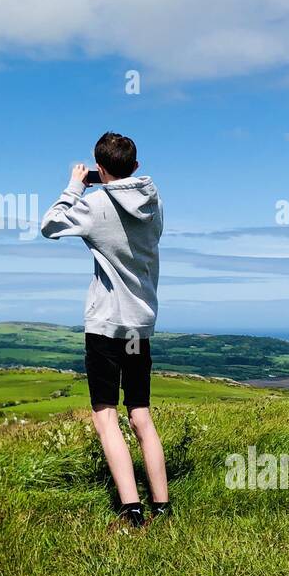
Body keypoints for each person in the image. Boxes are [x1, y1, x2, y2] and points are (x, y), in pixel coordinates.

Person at [40, 131, 170, 529]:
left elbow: (49, 225)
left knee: (105, 416)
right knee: (141, 415)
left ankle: (131, 511)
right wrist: (109, 179)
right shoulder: (154, 201)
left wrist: (75, 185)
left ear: (100, 169)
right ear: (136, 166)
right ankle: (162, 509)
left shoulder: (94, 204)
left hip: (106, 325)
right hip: (141, 324)